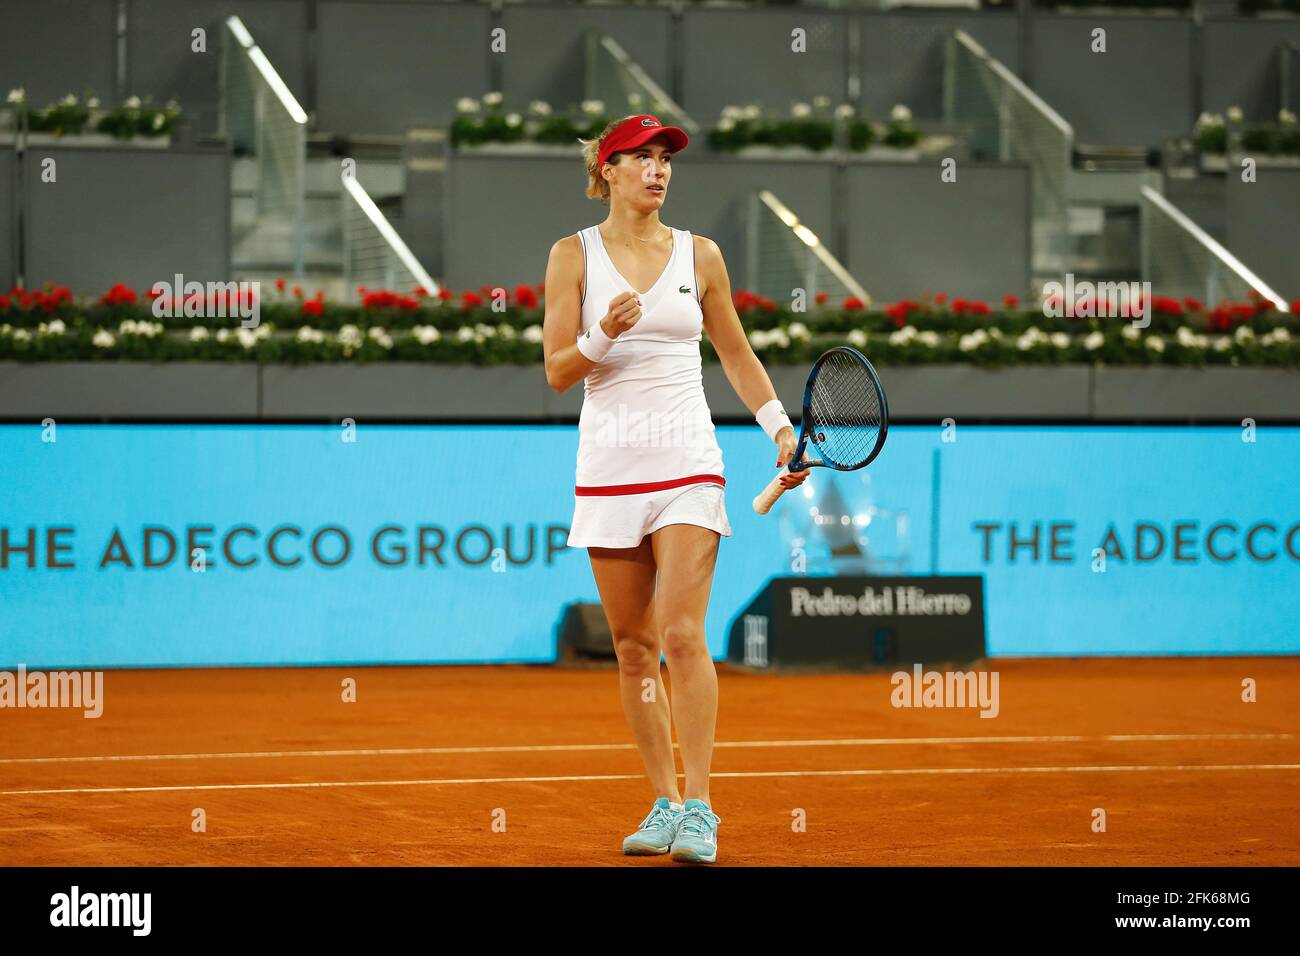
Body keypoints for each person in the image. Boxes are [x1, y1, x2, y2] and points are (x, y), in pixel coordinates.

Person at [542, 114, 808, 864]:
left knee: (684, 636)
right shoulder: (573, 257)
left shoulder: (703, 255)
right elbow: (559, 372)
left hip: (689, 461)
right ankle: (662, 800)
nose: (657, 171)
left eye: (666, 160)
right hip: (609, 469)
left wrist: (781, 431)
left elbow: (736, 352)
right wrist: (604, 334)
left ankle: (701, 807)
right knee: (633, 648)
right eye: (642, 159)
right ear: (608, 170)